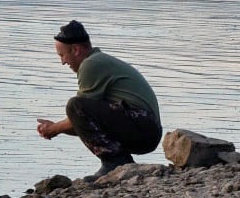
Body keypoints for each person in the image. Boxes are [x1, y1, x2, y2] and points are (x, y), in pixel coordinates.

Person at [35, 20, 162, 181]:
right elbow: (86, 124)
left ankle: (114, 162)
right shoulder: (98, 60)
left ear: (76, 50)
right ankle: (121, 162)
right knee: (77, 109)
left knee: (74, 105)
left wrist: (54, 129)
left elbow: (78, 111)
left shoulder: (91, 64)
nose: (62, 62)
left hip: (144, 127)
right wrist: (56, 128)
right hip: (146, 130)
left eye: (62, 55)